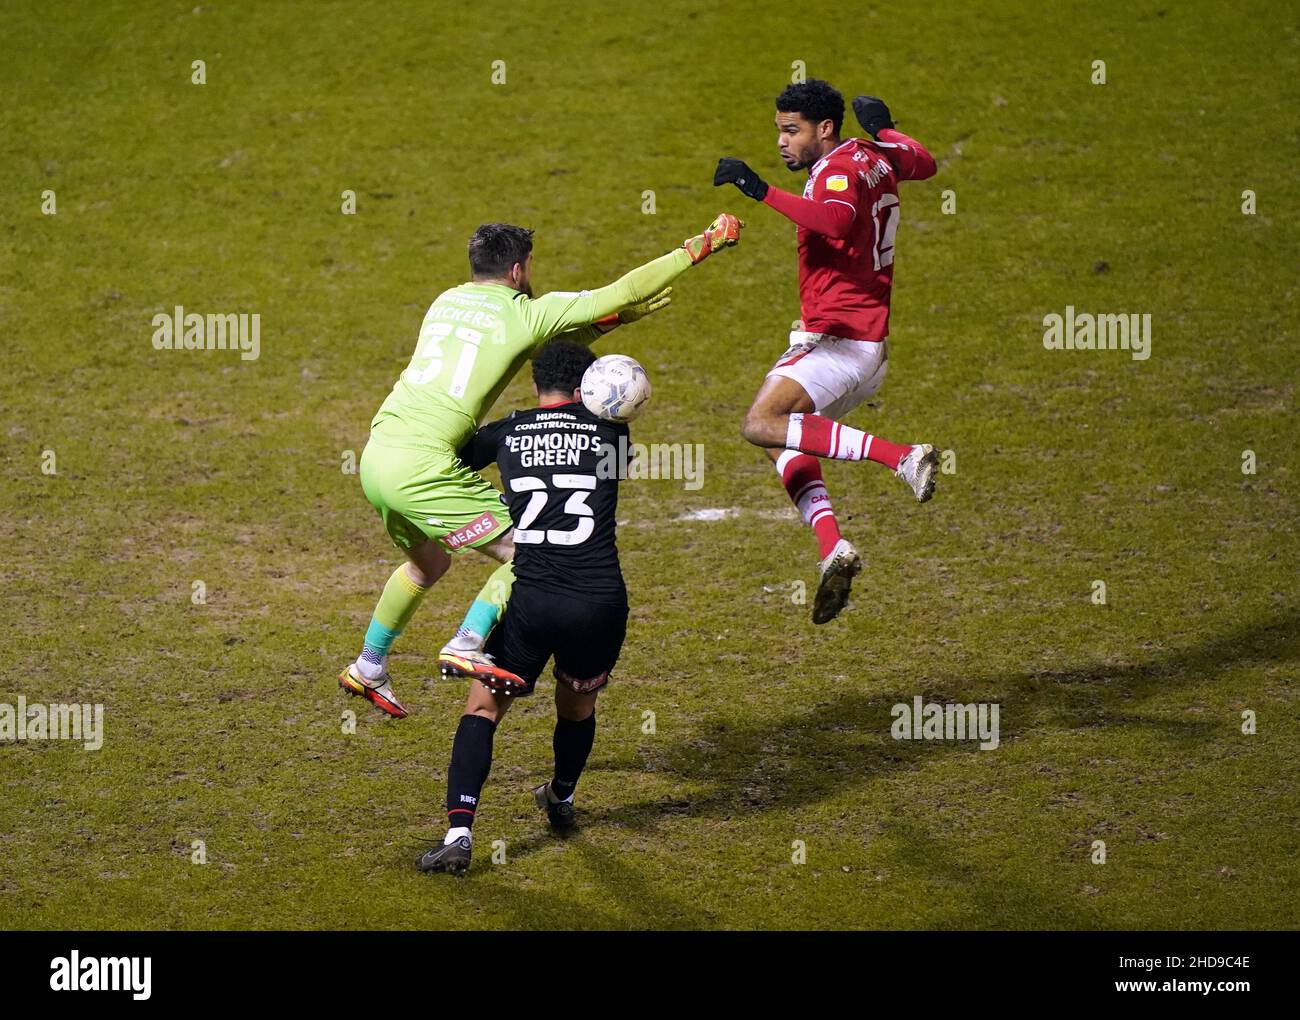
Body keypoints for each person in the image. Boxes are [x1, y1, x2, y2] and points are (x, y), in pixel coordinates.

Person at [340, 214, 743, 717]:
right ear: (516, 270)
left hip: (378, 455)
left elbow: (514, 348)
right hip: (423, 467)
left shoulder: (445, 302)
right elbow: (618, 291)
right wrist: (699, 248)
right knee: (533, 550)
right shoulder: (525, 312)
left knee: (429, 563)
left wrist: (610, 322)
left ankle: (369, 665)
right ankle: (466, 642)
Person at [714, 82, 938, 624]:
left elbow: (835, 220)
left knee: (761, 423)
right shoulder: (876, 155)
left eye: (792, 131)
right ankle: (832, 546)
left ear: (826, 129)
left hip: (840, 340)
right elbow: (925, 163)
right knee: (783, 437)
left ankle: (902, 457)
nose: (782, 142)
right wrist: (885, 129)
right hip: (864, 347)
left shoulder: (838, 171)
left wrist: (758, 189)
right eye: (778, 131)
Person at [417, 340, 634, 876]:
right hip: (599, 603)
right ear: (587, 387)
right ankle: (560, 797)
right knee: (578, 707)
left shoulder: (508, 432)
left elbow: (450, 459)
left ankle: (459, 834)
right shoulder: (614, 434)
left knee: (482, 711)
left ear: (536, 382)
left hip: (530, 599)